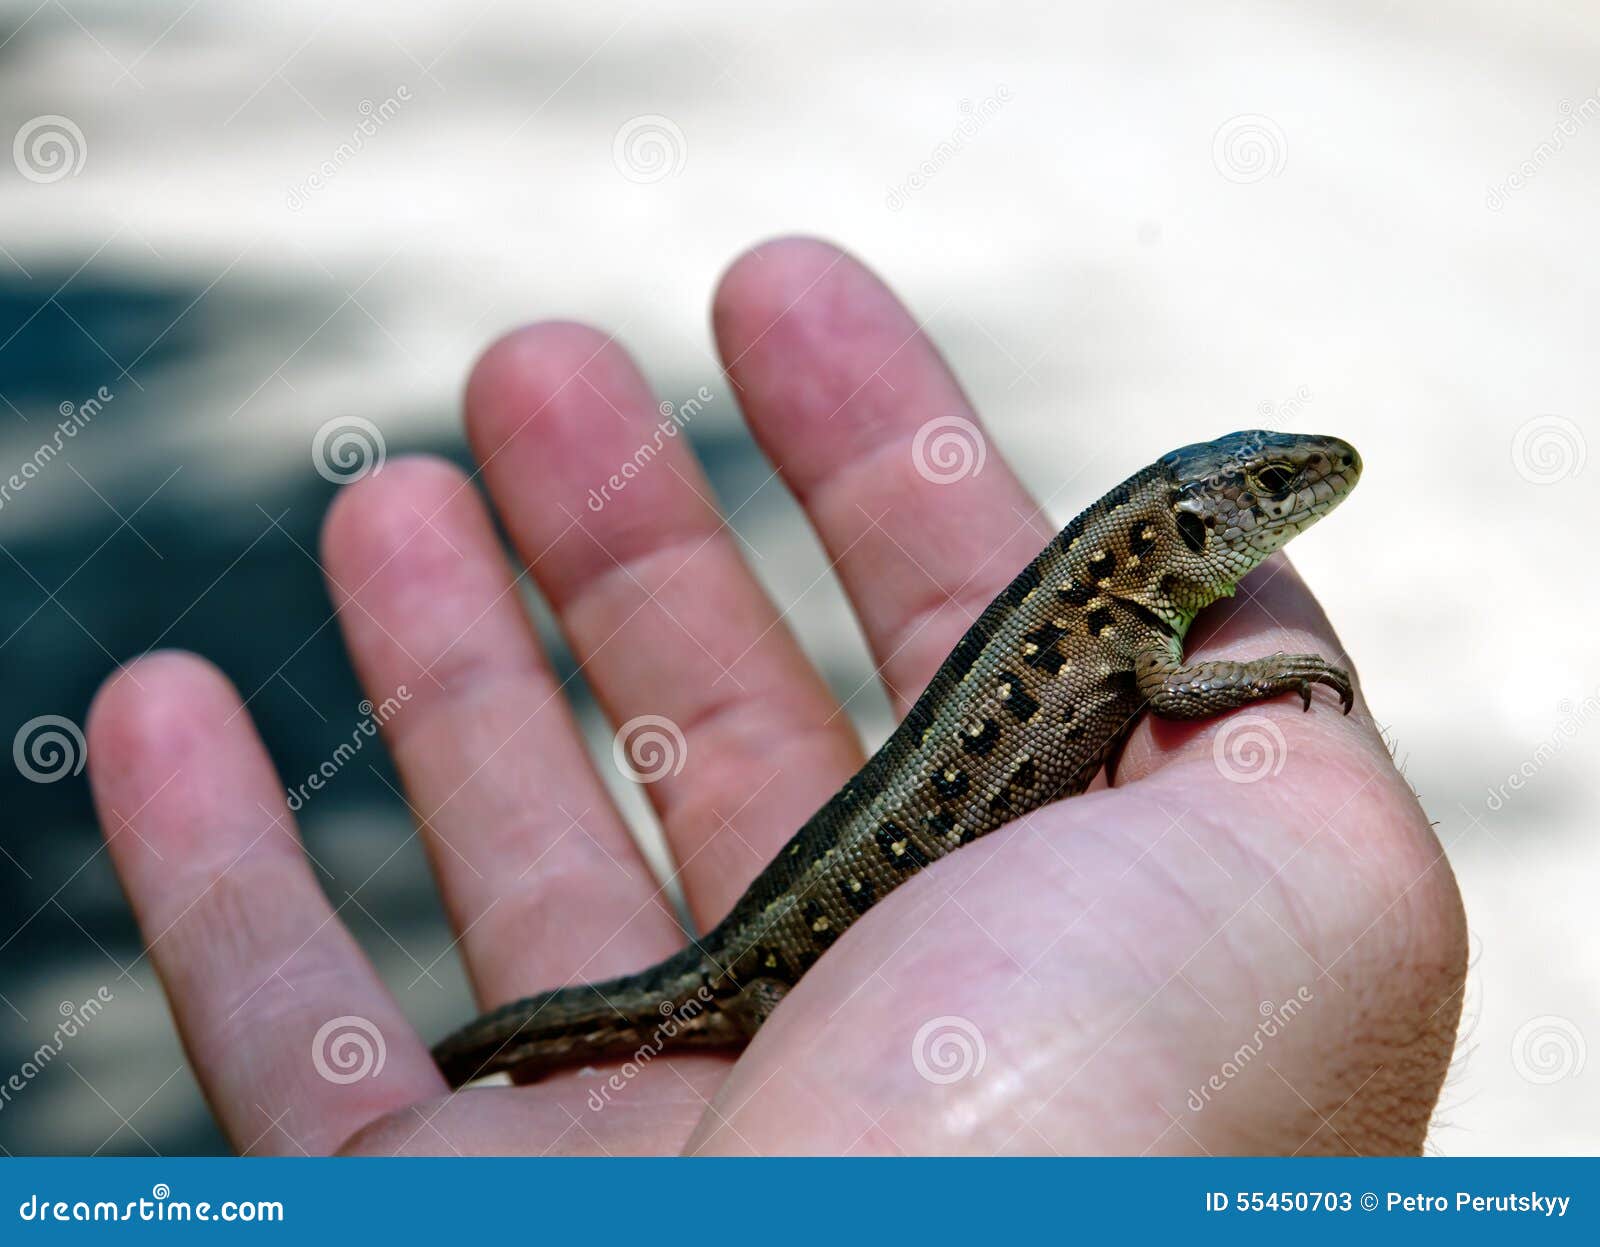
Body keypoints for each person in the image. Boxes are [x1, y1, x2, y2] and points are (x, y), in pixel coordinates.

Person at [85, 238, 1465, 1155]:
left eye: (1282, 480)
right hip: (762, 969)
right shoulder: (1141, 627)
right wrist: (1280, 667)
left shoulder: (1121, 597)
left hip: (780, 984)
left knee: (622, 1007)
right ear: (1183, 532)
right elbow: (1169, 692)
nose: (1302, 495)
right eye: (1272, 489)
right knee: (648, 1004)